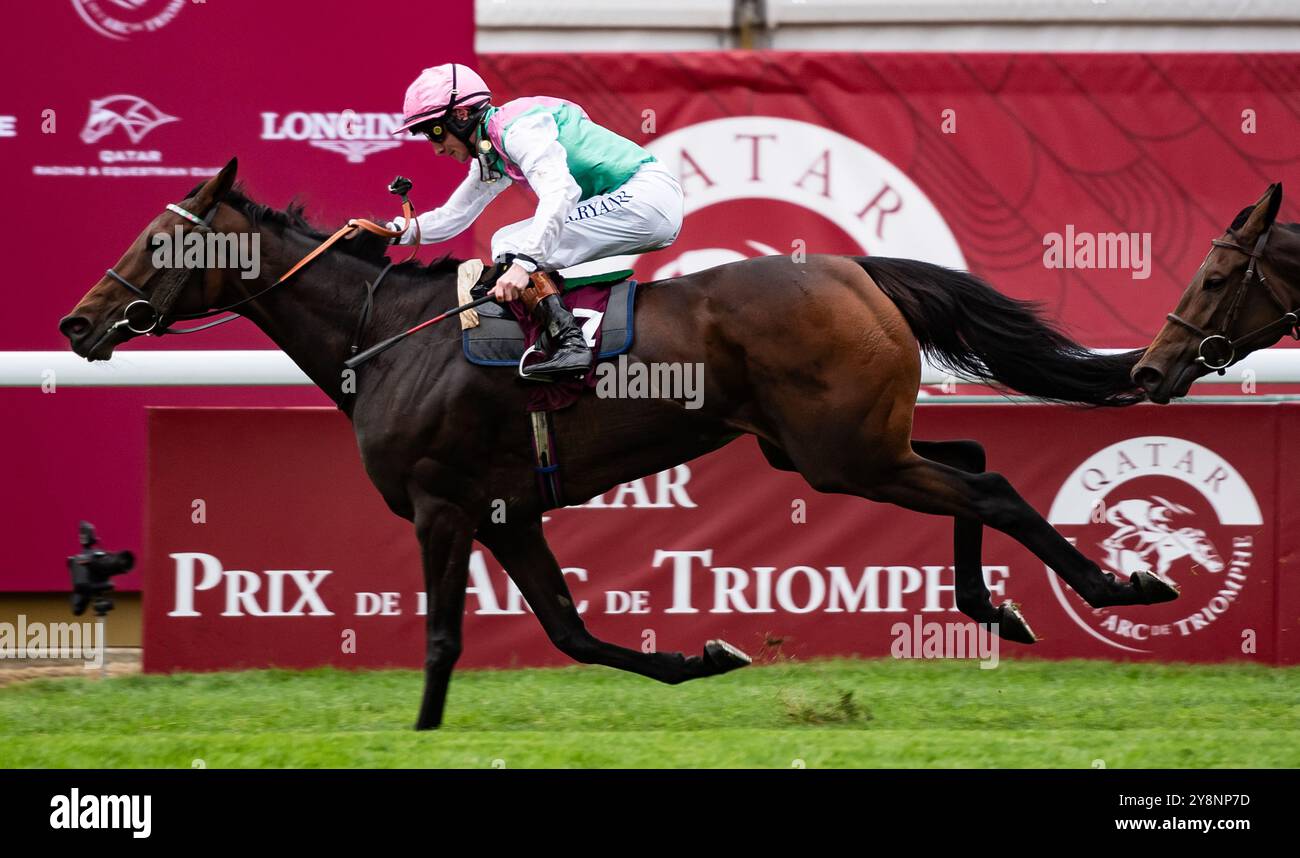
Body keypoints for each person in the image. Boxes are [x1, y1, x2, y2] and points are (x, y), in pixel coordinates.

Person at [388, 63, 684, 380]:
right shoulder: (491, 146)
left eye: (435, 131)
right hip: (641, 202)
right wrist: (388, 233)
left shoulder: (518, 129)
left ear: (461, 114)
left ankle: (571, 343)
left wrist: (524, 264)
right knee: (506, 244)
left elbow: (560, 191)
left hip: (644, 198)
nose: (435, 149)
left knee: (511, 245)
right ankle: (558, 337)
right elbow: (454, 216)